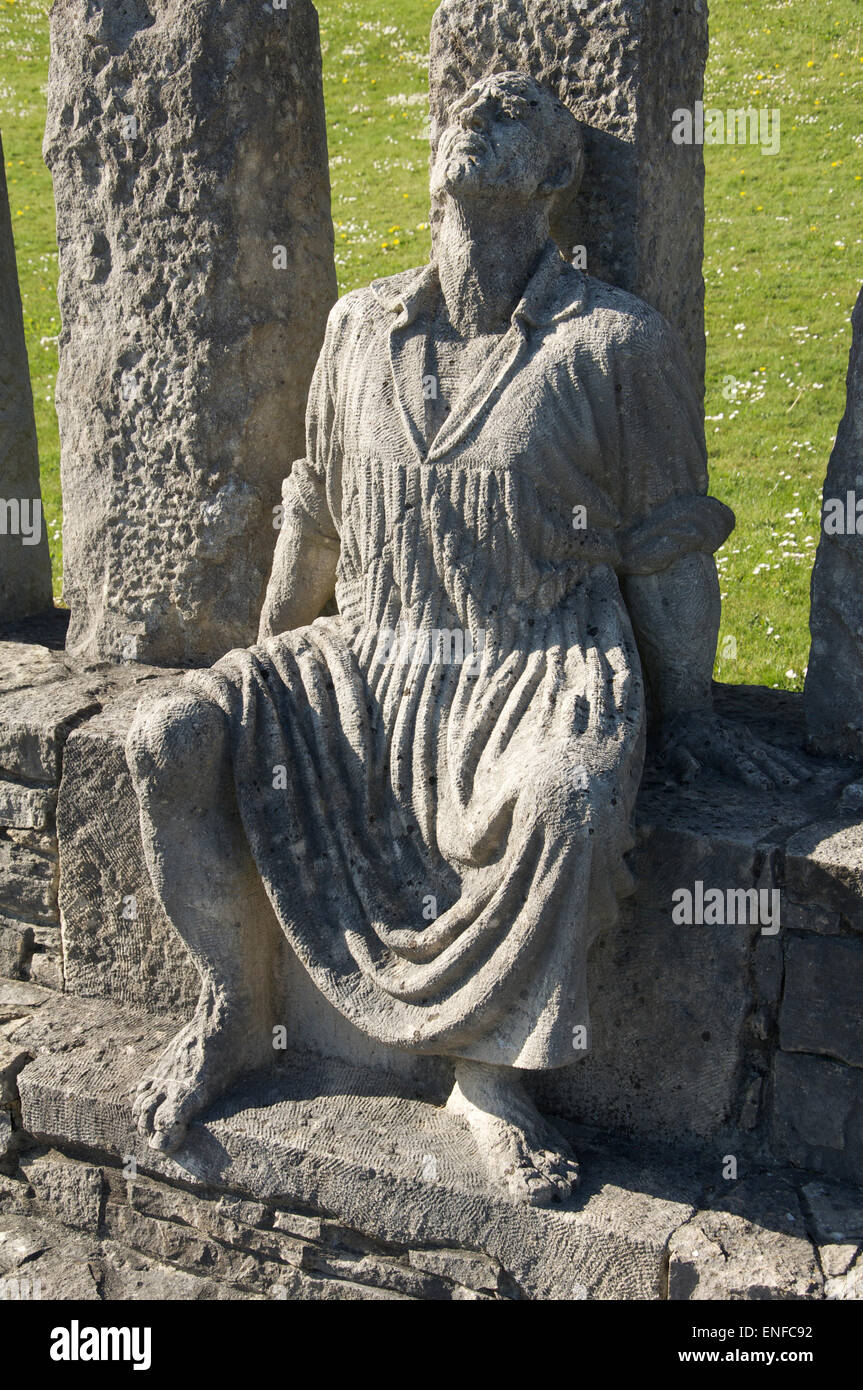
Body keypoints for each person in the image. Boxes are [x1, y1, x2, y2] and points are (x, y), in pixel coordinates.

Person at [127, 72, 799, 1205]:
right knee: (170, 736)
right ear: (433, 155)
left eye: (523, 107)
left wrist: (686, 723)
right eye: (469, 103)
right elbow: (316, 515)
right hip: (366, 657)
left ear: (555, 174)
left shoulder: (610, 347)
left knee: (569, 794)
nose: (486, 105)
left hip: (532, 662)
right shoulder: (356, 327)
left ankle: (490, 1078)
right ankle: (235, 1008)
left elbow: (668, 551)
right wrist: (259, 683)